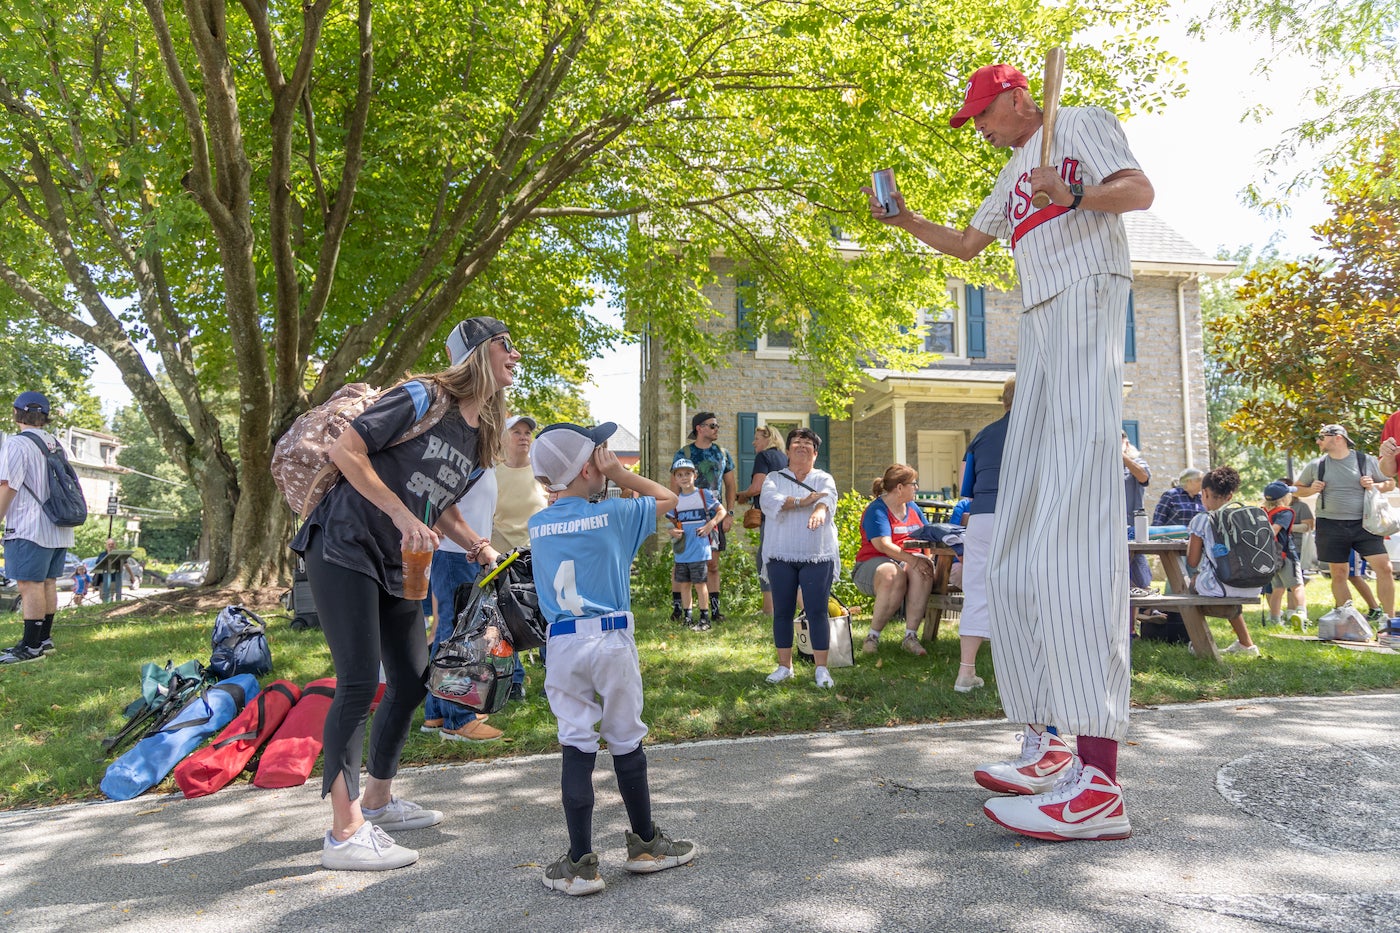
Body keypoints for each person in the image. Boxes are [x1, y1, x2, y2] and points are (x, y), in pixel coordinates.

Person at [868, 61, 1153, 840]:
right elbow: (965, 246)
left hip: (1088, 298)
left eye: (984, 116)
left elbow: (1139, 192)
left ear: (1018, 98)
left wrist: (1080, 196)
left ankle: (1100, 783)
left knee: (1073, 540)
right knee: (1019, 551)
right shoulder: (1010, 170)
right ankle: (1052, 741)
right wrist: (906, 221)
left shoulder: (1080, 122)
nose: (981, 129)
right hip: (1040, 321)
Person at [288, 315, 517, 871]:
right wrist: (398, 513)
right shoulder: (425, 395)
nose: (515, 356)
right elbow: (347, 451)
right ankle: (344, 835)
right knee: (361, 680)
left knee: (413, 683)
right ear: (479, 352)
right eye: (505, 346)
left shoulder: (478, 430)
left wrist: (478, 546)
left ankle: (378, 802)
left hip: (399, 559)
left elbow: (438, 500)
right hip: (344, 542)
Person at [527, 422, 694, 896]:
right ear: (589, 466)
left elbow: (564, 507)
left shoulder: (539, 523)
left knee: (576, 742)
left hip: (562, 643)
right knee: (625, 738)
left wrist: (593, 474)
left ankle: (580, 862)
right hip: (611, 639)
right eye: (601, 453)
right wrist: (620, 473)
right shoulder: (615, 514)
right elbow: (667, 498)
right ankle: (645, 845)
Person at [421, 465, 505, 743]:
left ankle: (437, 712)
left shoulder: (481, 455)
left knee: (453, 632)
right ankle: (458, 718)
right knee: (459, 636)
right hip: (456, 553)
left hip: (464, 554)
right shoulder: (466, 452)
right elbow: (431, 490)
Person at [759, 427, 840, 688]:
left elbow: (828, 498)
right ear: (787, 450)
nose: (802, 446)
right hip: (781, 552)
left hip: (816, 553)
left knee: (816, 611)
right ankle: (785, 666)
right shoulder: (774, 477)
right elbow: (769, 500)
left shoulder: (823, 477)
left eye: (808, 443)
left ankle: (821, 669)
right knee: (782, 611)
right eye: (796, 442)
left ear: (815, 453)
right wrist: (802, 502)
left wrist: (817, 508)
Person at [1293, 424, 1395, 626]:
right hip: (1330, 525)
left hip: (1364, 524)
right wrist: (1311, 489)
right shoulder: (1317, 465)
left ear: (1338, 437)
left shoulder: (1365, 460)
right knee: (1339, 573)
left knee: (1384, 567)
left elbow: (1390, 483)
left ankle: (1390, 620)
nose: (1318, 441)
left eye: (1322, 436)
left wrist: (1374, 485)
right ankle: (1346, 620)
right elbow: (1297, 490)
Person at [0, 392, 75, 663]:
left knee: (29, 584)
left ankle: (29, 648)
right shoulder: (55, 443)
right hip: (58, 525)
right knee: (48, 582)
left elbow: (9, 485)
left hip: (28, 525)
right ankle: (44, 640)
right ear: (44, 416)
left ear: (16, 413)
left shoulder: (16, 444)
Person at [953, 375, 1015, 693]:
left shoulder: (981, 436)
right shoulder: (1041, 433)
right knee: (1025, 591)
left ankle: (966, 673)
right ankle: (1021, 671)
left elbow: (967, 491)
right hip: (1020, 516)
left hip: (982, 519)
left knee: (977, 591)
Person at [491, 413, 548, 698]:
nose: (524, 436)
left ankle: (555, 674)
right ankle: (514, 680)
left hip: (538, 552)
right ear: (504, 438)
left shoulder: (541, 472)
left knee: (547, 612)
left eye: (527, 432)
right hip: (503, 557)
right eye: (517, 432)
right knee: (506, 618)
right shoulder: (492, 473)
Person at [852, 464, 935, 658]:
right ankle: (872, 637)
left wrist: (926, 561)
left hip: (906, 562)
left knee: (923, 568)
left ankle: (910, 637)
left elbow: (928, 535)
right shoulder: (877, 510)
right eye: (913, 484)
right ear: (899, 488)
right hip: (873, 565)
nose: (916, 488)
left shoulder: (913, 507)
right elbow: (883, 545)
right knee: (892, 574)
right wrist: (912, 560)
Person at [1185, 466, 1262, 657]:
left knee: (1191, 584)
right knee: (1223, 578)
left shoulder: (1202, 520)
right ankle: (1246, 644)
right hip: (1252, 585)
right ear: (1230, 496)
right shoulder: (1245, 517)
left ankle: (1200, 643)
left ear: (1204, 493)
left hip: (1222, 587)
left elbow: (1192, 561)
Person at [672, 412, 737, 622]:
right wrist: (674, 520)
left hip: (712, 516)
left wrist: (730, 513)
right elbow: (673, 490)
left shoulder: (723, 454)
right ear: (699, 428)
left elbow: (730, 485)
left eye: (717, 425)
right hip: (687, 517)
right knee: (682, 562)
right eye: (712, 426)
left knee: (713, 564)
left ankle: (714, 611)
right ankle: (678, 609)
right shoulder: (684, 453)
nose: (717, 429)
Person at [735, 424, 788, 617]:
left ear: (768, 438)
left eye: (757, 438)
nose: (753, 442)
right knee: (784, 560)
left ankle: (769, 609)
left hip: (770, 515)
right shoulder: (785, 458)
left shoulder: (763, 457)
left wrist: (742, 495)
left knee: (764, 559)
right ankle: (786, 605)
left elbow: (758, 487)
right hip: (787, 514)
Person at [666, 458, 725, 631]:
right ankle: (688, 617)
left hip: (699, 548)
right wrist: (671, 531)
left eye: (688, 474)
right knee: (684, 584)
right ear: (675, 479)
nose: (684, 478)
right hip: (682, 549)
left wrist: (710, 525)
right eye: (680, 475)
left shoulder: (703, 494)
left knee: (700, 584)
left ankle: (705, 618)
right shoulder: (675, 500)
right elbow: (670, 521)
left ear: (695, 475)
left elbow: (721, 511)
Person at [1261, 480, 1306, 629]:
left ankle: (1274, 619)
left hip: (1270, 557)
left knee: (1277, 589)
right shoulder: (1285, 512)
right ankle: (1301, 615)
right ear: (1284, 498)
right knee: (1297, 587)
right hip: (1286, 555)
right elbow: (1275, 530)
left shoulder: (1262, 512)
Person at [1123, 434, 1153, 598]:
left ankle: (1147, 610)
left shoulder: (1137, 462)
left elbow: (1143, 477)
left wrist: (1121, 455)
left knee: (1139, 573)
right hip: (1110, 527)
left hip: (1133, 526)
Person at [98, 537, 119, 603]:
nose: (110, 545)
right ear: (106, 545)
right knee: (102, 596)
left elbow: (125, 564)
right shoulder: (102, 555)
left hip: (113, 578)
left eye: (112, 544)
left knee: (110, 596)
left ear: (115, 545)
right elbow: (98, 564)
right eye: (109, 544)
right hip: (103, 579)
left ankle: (110, 607)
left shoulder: (118, 554)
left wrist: (132, 576)